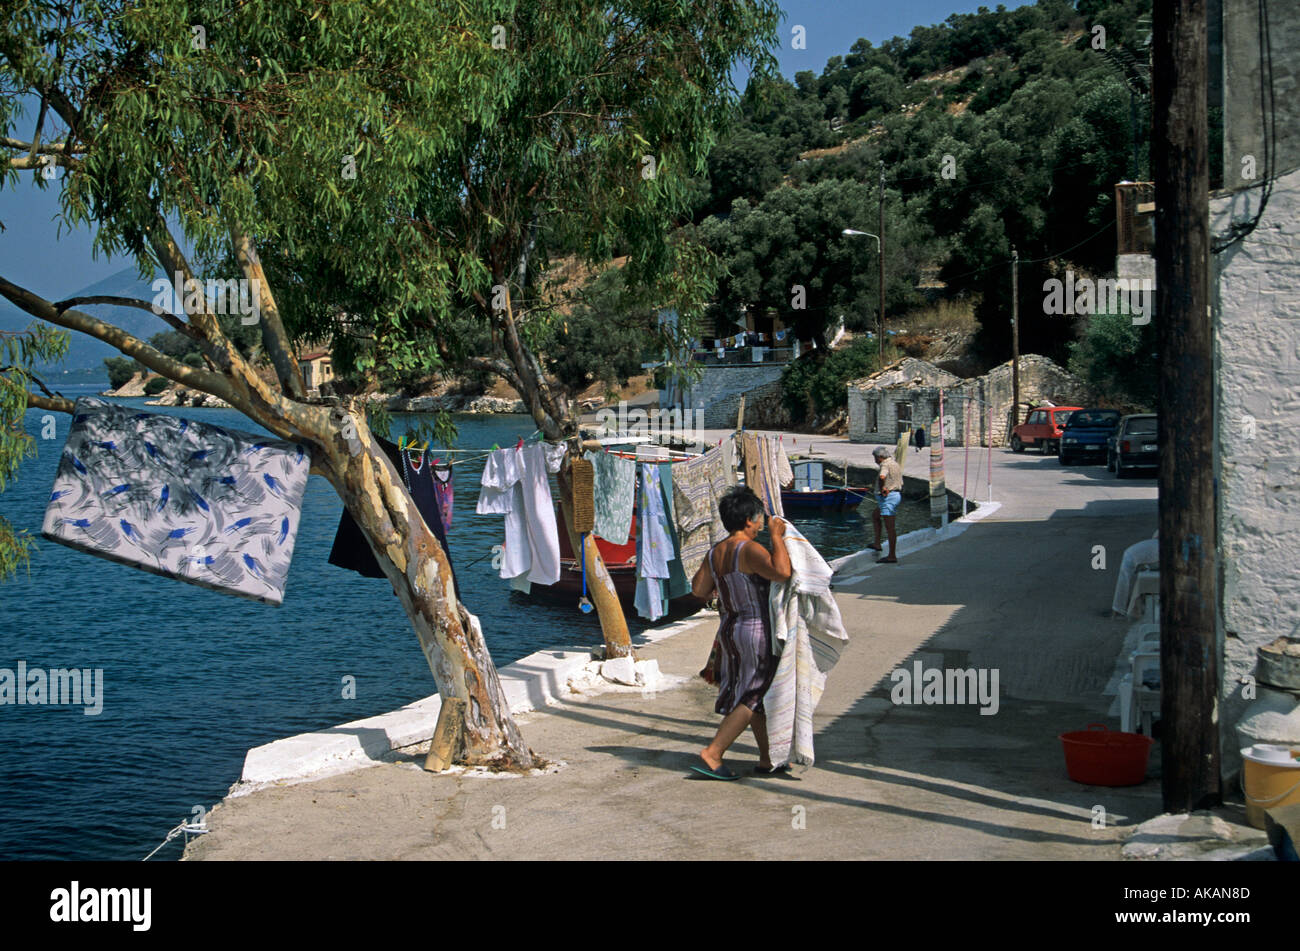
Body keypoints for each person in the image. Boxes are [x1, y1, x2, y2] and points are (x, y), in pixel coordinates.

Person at [689, 486, 792, 780]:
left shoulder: (715, 553)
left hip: (730, 630)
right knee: (754, 693)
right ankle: (713, 753)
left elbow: (699, 590)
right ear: (749, 520)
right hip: (755, 629)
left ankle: (767, 758)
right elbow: (782, 571)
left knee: (755, 692)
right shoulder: (749, 549)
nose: (761, 524)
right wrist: (776, 537)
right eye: (759, 519)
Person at [868, 445, 902, 563]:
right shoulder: (894, 463)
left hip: (888, 498)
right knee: (875, 516)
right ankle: (877, 543)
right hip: (894, 496)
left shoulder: (885, 465)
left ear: (881, 457)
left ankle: (892, 556)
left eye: (876, 457)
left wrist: (884, 488)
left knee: (890, 528)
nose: (875, 460)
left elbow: (882, 476)